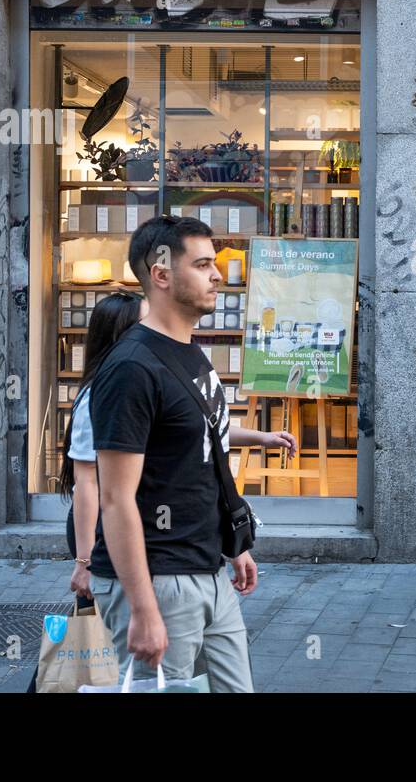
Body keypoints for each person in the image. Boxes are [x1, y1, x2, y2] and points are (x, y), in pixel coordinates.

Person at [89, 214, 298, 692]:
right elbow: (116, 499)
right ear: (161, 275)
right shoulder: (132, 369)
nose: (218, 275)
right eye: (203, 264)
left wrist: (232, 542)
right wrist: (143, 609)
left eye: (215, 264)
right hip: (159, 578)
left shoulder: (190, 352)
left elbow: (206, 447)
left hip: (208, 568)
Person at [60, 291, 148, 602]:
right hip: (98, 528)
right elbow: (85, 481)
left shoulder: (132, 382)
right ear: (121, 336)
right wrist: (84, 562)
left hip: (121, 520)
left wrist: (263, 438)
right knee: (102, 629)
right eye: (143, 325)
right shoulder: (97, 395)